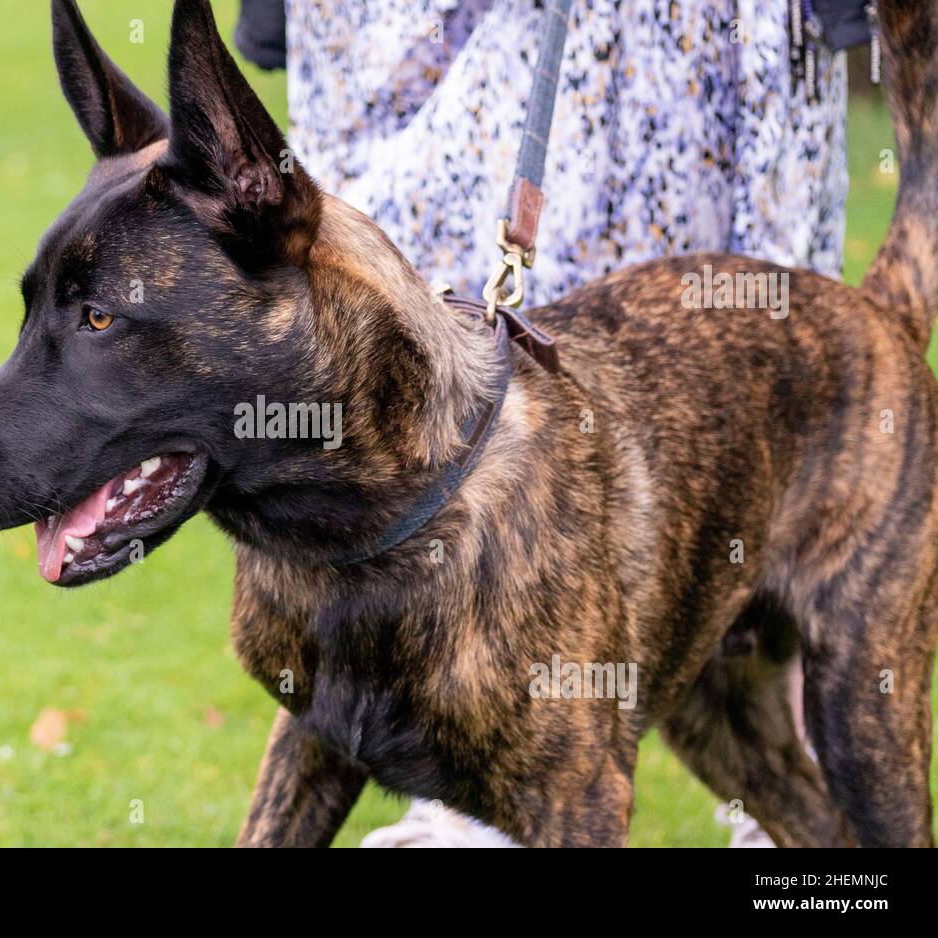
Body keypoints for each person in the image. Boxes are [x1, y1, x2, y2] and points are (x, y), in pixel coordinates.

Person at [236, 0, 863, 847]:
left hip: (683, 53)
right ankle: (463, 798)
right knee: (449, 384)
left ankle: (780, 802)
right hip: (448, 44)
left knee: (727, 403)